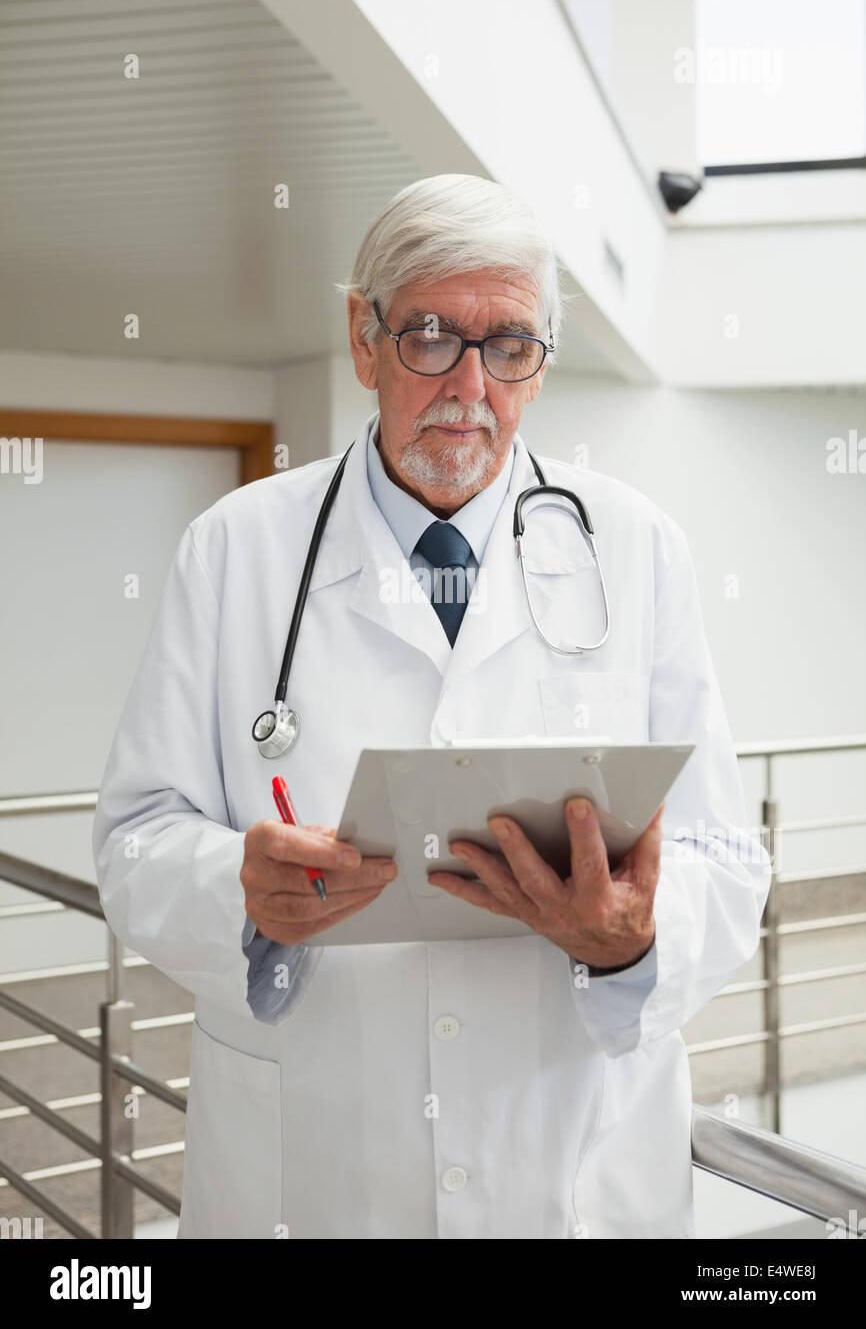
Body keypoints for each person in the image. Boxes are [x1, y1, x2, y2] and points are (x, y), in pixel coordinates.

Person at [92, 173, 770, 1239]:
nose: (469, 383)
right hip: (319, 1168)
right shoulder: (236, 550)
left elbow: (727, 857)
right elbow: (134, 838)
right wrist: (241, 889)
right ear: (363, 343)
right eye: (428, 336)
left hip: (571, 1163)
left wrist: (630, 938)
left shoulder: (636, 552)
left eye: (507, 345)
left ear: (538, 366)